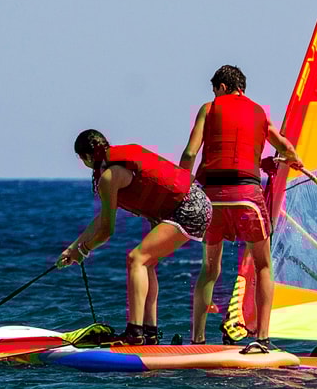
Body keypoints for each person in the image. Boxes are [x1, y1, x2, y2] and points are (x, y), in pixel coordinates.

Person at [179, 65, 302, 351]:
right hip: (247, 196)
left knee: (209, 269)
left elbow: (189, 152)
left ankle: (197, 339)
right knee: (263, 266)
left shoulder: (209, 109)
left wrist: (182, 189)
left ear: (222, 87)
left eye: (214, 90)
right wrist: (290, 161)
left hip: (211, 197)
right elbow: (286, 148)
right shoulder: (260, 113)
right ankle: (263, 339)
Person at [58, 129, 213, 345]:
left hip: (189, 207)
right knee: (146, 263)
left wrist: (84, 250)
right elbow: (102, 218)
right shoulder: (116, 169)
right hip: (198, 202)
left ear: (85, 158)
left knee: (136, 259)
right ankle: (149, 331)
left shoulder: (109, 177)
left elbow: (106, 231)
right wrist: (73, 247)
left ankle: (134, 332)